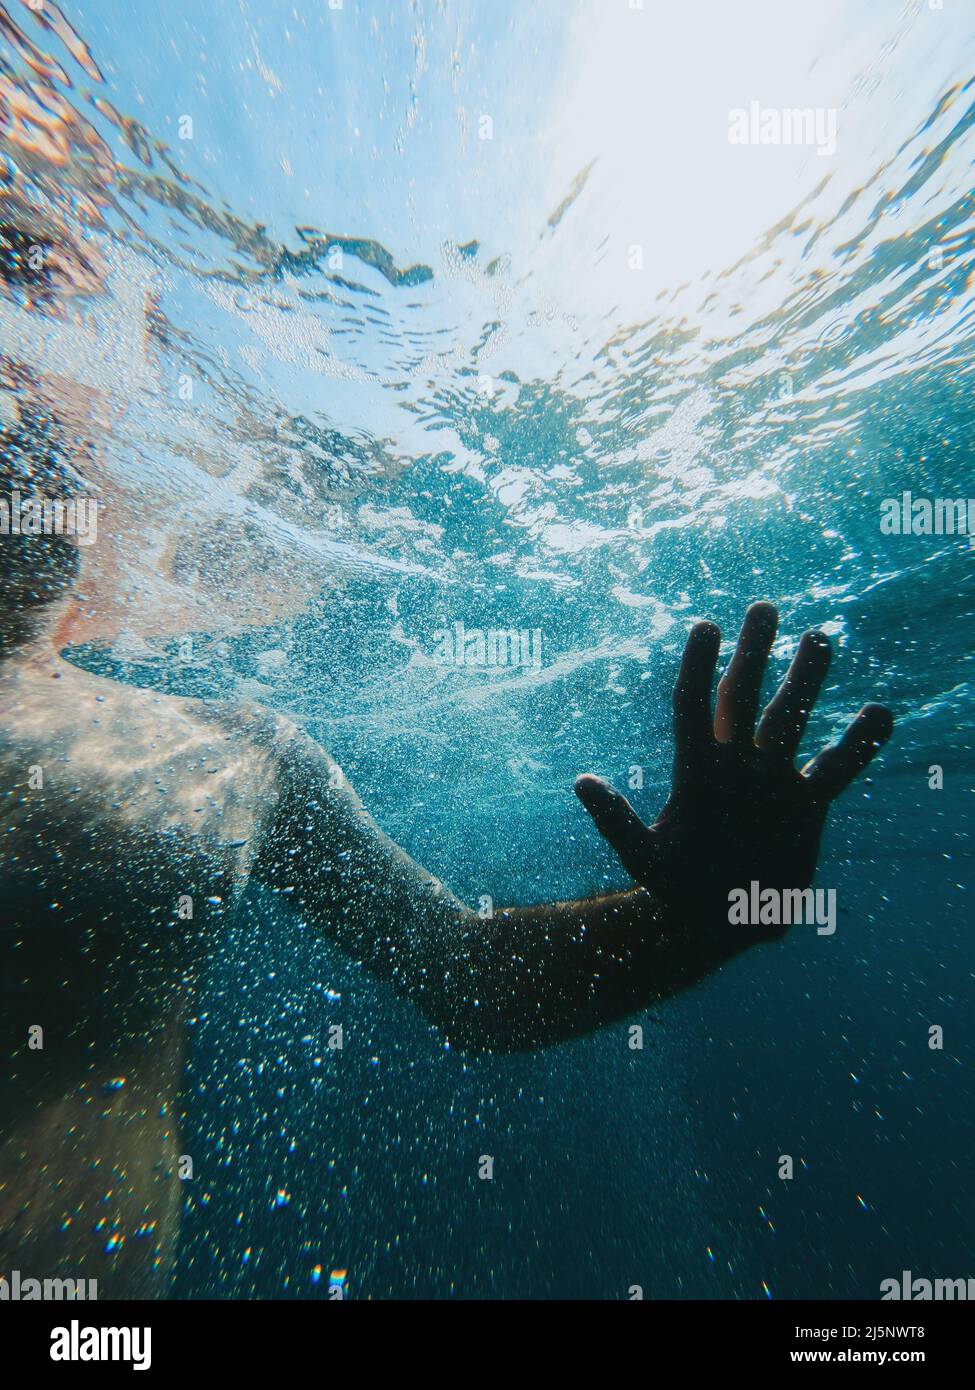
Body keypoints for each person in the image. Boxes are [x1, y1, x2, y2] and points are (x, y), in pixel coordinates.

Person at [0, 223, 894, 1299]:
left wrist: (710, 919)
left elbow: (473, 983)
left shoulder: (235, 749)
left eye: (46, 410)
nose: (27, 427)